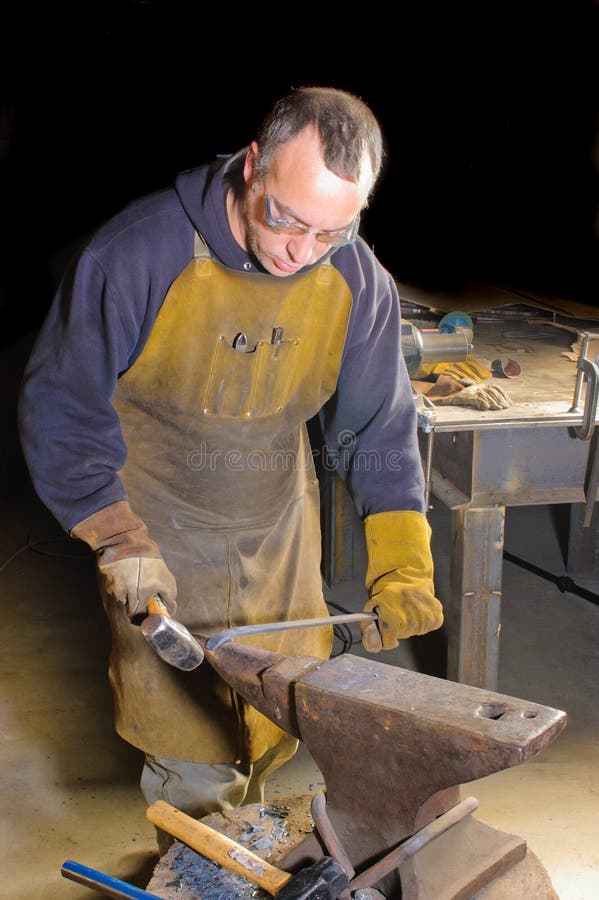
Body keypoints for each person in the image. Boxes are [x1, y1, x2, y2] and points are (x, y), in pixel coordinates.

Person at [18, 86, 443, 851]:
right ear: (252, 166)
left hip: (280, 540)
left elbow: (378, 425)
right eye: (286, 219)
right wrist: (117, 539)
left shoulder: (354, 277)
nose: (301, 252)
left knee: (272, 733)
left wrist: (403, 562)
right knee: (193, 761)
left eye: (331, 231)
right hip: (161, 542)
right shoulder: (139, 254)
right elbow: (62, 406)